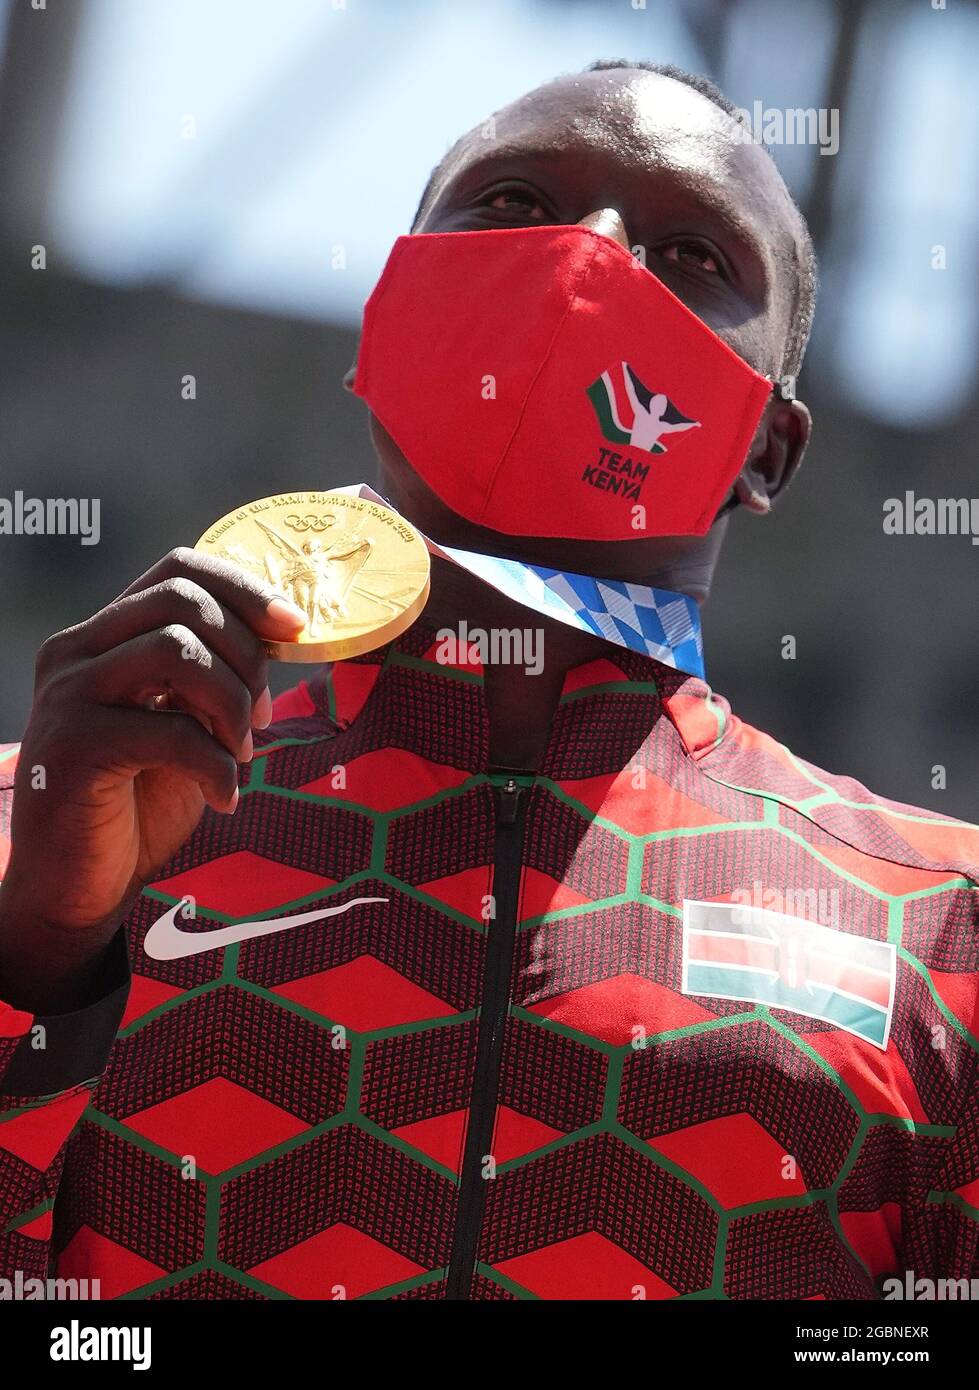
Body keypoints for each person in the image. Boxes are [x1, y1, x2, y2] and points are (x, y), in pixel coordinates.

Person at [0, 60, 976, 1303]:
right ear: (391, 317)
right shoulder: (51, 822)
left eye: (689, 254)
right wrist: (39, 952)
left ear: (766, 447)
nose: (590, 258)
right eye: (513, 204)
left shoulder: (940, 926)